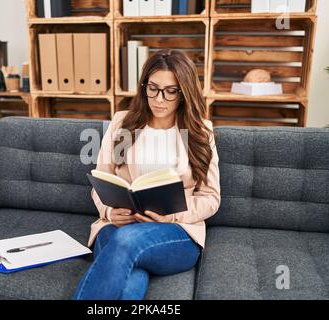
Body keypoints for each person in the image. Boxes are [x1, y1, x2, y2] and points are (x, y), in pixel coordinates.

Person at [73, 49, 221, 300]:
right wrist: (109, 212)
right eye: (152, 88)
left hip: (177, 233)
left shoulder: (200, 132)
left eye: (170, 91)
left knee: (125, 242)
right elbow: (101, 180)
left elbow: (210, 197)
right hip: (117, 225)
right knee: (132, 276)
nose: (159, 99)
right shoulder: (123, 125)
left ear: (184, 93)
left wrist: (173, 215)